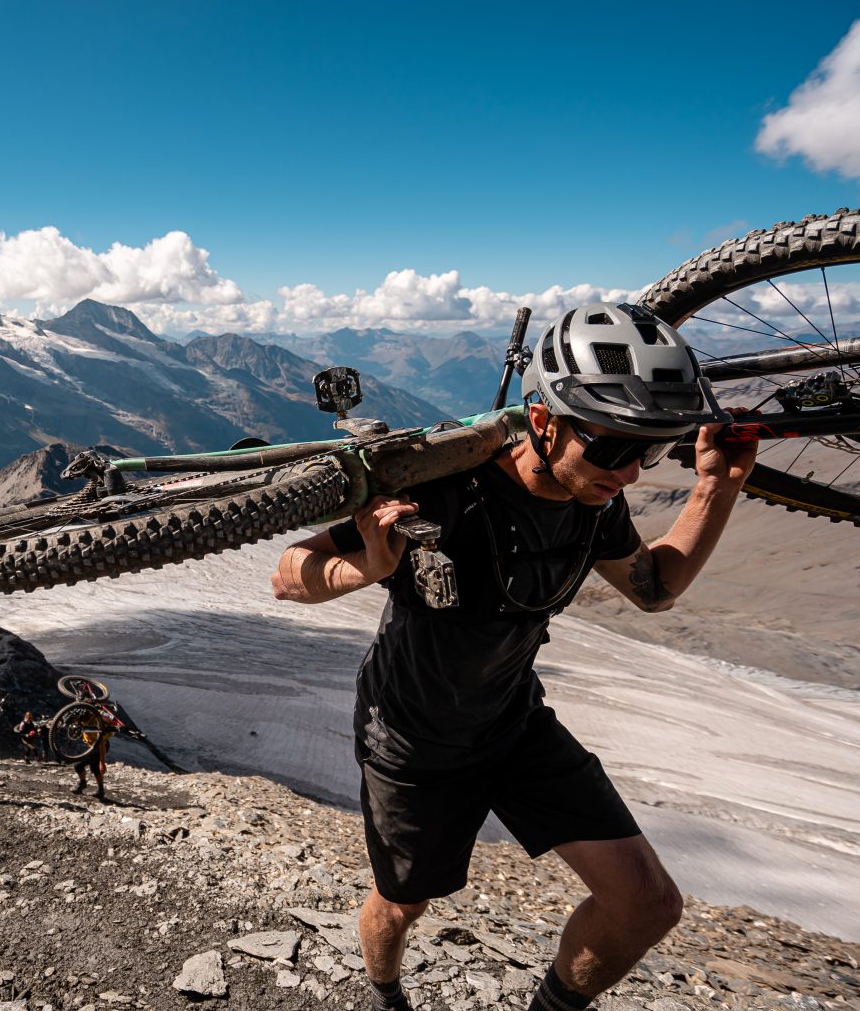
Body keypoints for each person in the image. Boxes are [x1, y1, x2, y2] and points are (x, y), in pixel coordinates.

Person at [270, 303, 758, 1011]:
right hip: (412, 741)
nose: (628, 475)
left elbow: (652, 588)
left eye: (646, 451)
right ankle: (384, 994)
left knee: (647, 905)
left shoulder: (594, 502)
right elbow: (289, 573)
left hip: (512, 724)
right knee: (403, 907)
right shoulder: (442, 490)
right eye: (611, 448)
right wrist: (368, 567)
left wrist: (718, 485)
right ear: (543, 419)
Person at [72, 703, 119, 800]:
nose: (77, 722)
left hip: (100, 747)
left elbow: (102, 744)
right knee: (94, 768)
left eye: (78, 719)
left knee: (78, 765)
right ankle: (100, 791)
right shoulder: (86, 719)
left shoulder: (94, 724)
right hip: (94, 746)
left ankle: (82, 784)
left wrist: (102, 762)